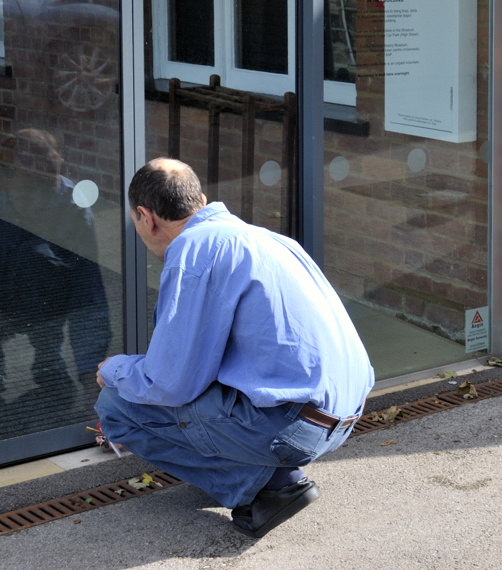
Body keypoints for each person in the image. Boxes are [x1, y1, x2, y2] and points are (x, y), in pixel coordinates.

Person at [95, 158, 373, 538]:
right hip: (346, 415)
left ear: (146, 217)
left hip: (294, 428)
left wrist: (115, 369)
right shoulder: (269, 239)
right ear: (201, 200)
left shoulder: (194, 252)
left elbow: (170, 382)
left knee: (116, 406)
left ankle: (266, 487)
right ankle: (269, 476)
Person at [0, 128, 111, 425]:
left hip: (35, 290)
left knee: (40, 259)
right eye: (29, 190)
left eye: (48, 187)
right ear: (1, 178)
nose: (41, 200)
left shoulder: (71, 204)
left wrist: (90, 375)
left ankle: (49, 358)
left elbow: (88, 293)